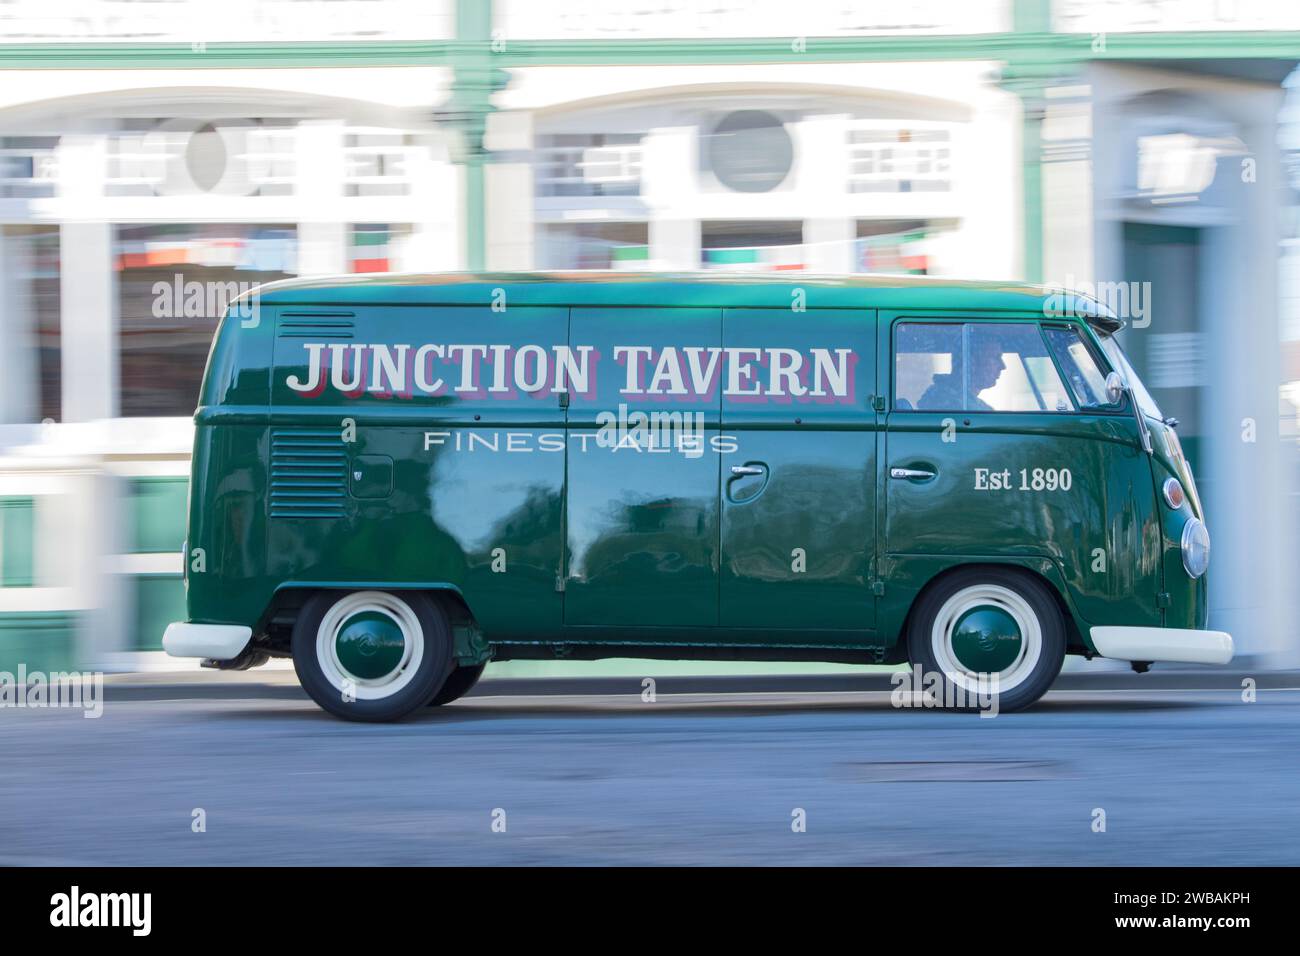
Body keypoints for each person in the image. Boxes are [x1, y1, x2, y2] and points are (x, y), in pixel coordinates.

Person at [919, 333, 1006, 411]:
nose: (1003, 366)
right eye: (996, 357)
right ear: (971, 363)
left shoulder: (966, 403)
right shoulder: (947, 402)